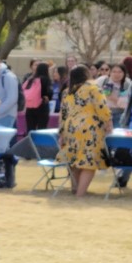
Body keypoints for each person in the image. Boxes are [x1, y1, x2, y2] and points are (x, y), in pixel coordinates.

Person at [58, 65, 112, 197]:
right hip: (89, 128)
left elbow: (62, 113)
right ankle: (80, 194)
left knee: (75, 160)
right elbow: (102, 107)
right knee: (89, 163)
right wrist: (108, 122)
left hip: (70, 129)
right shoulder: (94, 88)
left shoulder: (67, 92)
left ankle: (75, 189)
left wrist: (61, 132)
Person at [23, 60, 53, 133]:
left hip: (29, 107)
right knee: (41, 130)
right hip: (42, 107)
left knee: (30, 129)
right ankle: (39, 144)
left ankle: (30, 143)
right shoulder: (45, 79)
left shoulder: (30, 79)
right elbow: (48, 94)